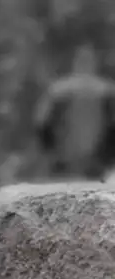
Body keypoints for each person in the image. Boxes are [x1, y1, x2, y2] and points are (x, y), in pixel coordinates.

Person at [34, 44, 115, 181]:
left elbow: (41, 122)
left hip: (65, 160)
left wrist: (50, 151)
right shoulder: (107, 90)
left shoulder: (57, 90)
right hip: (95, 163)